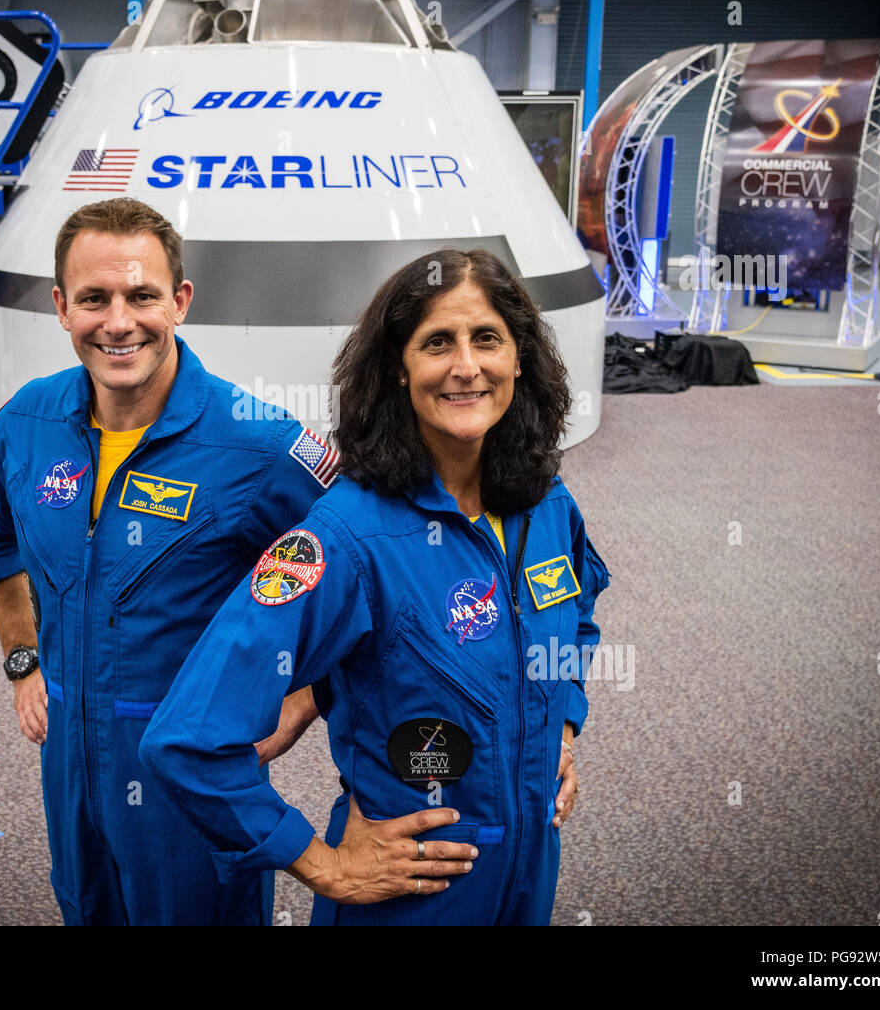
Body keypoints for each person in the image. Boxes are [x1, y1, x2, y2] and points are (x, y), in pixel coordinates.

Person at [141, 248, 612, 924]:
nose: (466, 366)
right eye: (437, 343)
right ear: (399, 366)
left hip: (529, 876)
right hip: (407, 896)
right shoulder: (344, 537)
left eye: (487, 339)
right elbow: (186, 737)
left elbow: (577, 617)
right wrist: (320, 862)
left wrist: (558, 728)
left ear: (519, 358)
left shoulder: (547, 505)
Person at [0, 197, 332, 925]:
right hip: (69, 759)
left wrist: (301, 699)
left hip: (191, 770)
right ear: (63, 308)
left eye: (143, 296)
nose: (119, 321)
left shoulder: (256, 444)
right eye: (95, 298)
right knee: (86, 908)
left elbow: (364, 567)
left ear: (180, 302)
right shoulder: (23, 426)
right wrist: (21, 661)